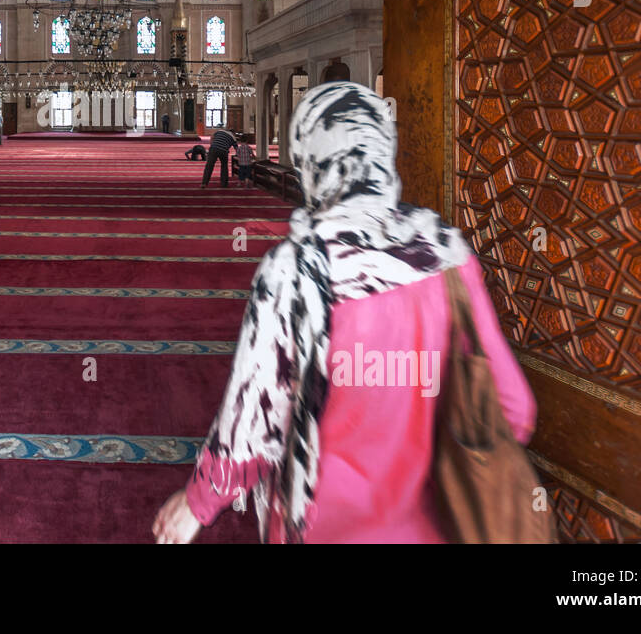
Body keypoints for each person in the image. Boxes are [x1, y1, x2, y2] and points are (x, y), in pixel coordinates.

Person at [152, 83, 536, 544]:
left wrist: (199, 503)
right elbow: (513, 409)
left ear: (309, 159)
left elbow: (254, 423)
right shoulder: (450, 258)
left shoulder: (298, 269)